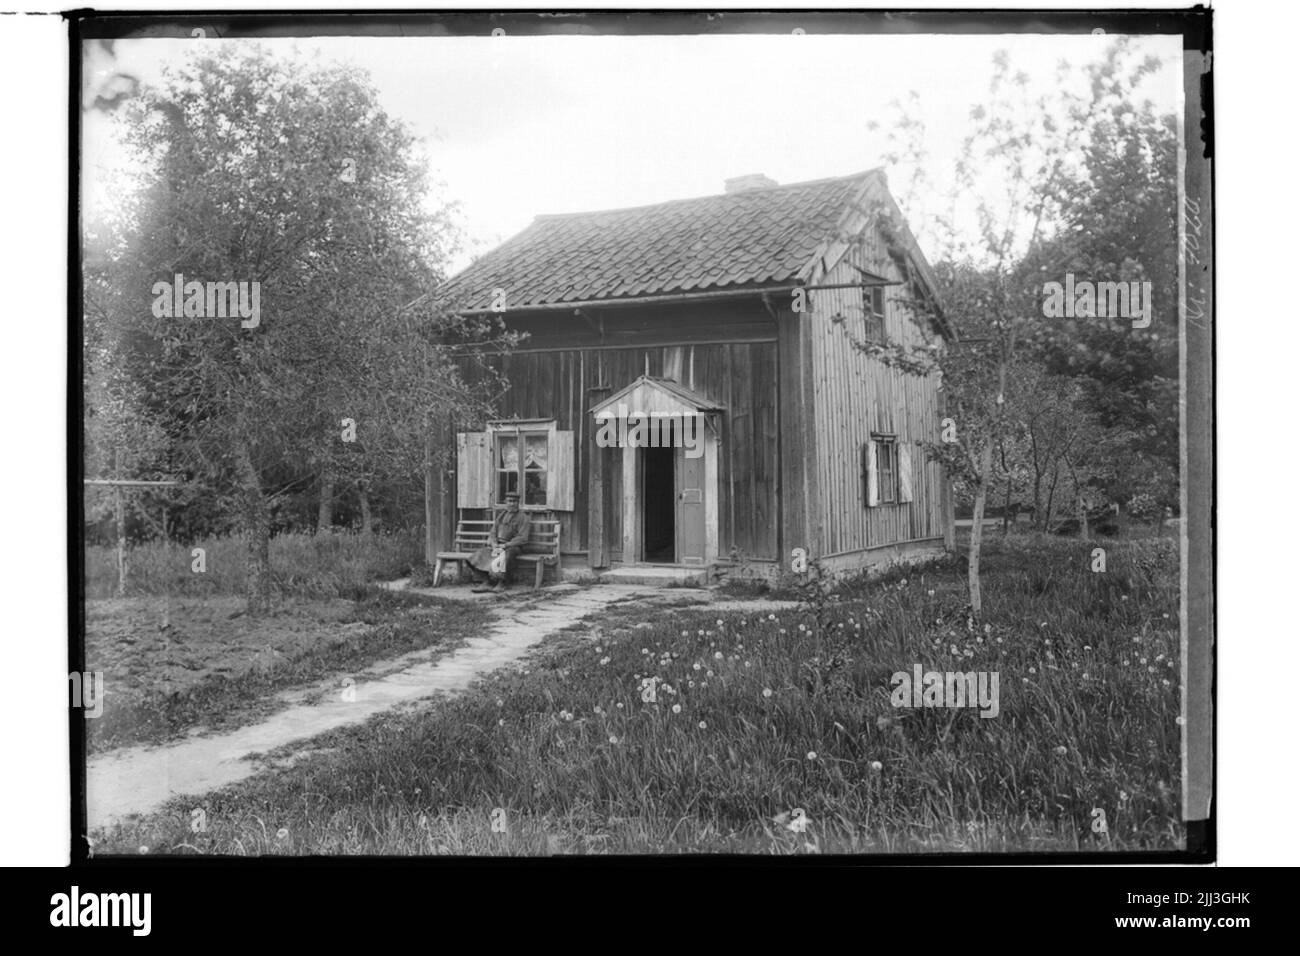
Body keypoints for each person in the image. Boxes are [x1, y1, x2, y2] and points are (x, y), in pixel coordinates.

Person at [468, 491, 531, 593]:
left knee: (506, 554)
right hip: (498, 545)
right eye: (509, 501)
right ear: (506, 502)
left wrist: (506, 545)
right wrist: (494, 543)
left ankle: (502, 582)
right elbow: (493, 531)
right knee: (483, 552)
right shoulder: (501, 516)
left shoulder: (523, 517)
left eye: (514, 501)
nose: (512, 504)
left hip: (514, 546)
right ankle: (486, 582)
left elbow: (523, 538)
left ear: (518, 503)